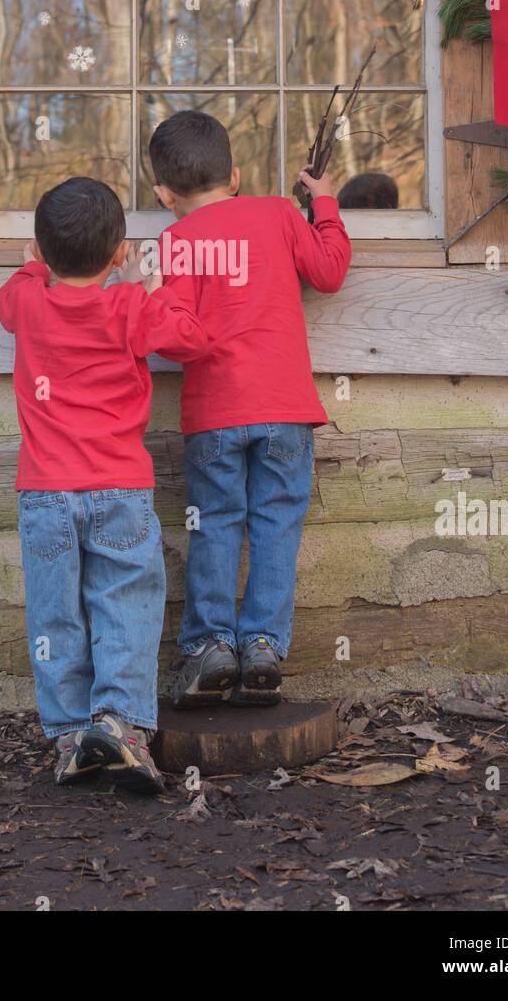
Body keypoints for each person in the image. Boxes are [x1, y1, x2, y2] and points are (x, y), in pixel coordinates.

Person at [0, 176, 208, 792]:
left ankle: (68, 737)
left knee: (55, 614)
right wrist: (150, 284)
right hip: (119, 488)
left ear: (38, 248)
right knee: (126, 605)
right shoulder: (130, 307)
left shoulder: (27, 300)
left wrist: (36, 268)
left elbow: (10, 296)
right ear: (119, 252)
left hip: (44, 494)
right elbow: (189, 337)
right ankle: (120, 727)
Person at [148, 111, 352, 708]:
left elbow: (174, 336)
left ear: (163, 194)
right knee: (276, 526)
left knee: (212, 525)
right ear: (234, 175)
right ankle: (262, 643)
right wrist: (326, 205)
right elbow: (330, 271)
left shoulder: (177, 242)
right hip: (285, 410)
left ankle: (212, 646)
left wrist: (150, 300)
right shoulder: (278, 214)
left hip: (214, 414)